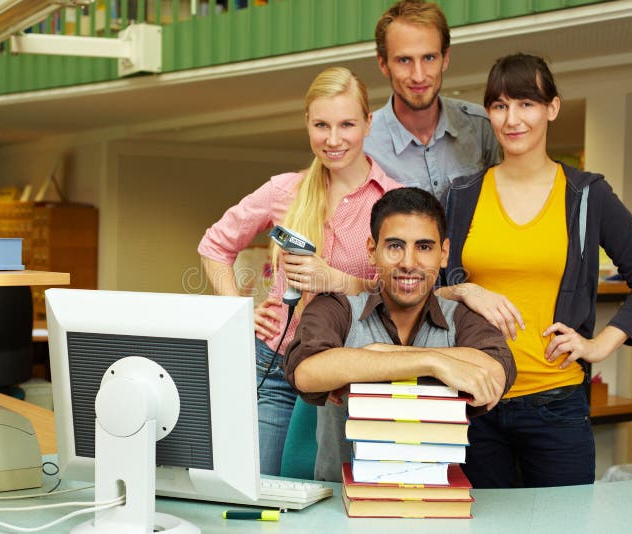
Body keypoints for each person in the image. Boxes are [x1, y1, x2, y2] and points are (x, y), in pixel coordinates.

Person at [440, 53, 632, 488]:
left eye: (527, 103)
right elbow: (433, 288)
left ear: (552, 108)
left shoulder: (586, 196)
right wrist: (467, 291)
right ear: (489, 113)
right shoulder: (463, 195)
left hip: (556, 405)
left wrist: (600, 345)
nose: (513, 118)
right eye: (500, 105)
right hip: (473, 401)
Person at [198, 67, 402, 475]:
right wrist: (237, 309)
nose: (333, 139)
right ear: (307, 124)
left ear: (368, 123)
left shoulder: (394, 201)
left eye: (346, 124)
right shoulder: (283, 191)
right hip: (272, 367)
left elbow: (403, 291)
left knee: (330, 495)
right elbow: (214, 245)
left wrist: (339, 281)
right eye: (321, 125)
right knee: (259, 489)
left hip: (345, 376)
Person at [283, 187, 516, 482]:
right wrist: (433, 364)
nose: (408, 262)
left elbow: (495, 372)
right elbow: (306, 371)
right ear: (372, 250)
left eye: (424, 247)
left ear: (444, 253)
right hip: (341, 508)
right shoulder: (336, 307)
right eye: (394, 246)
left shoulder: (462, 313)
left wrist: (377, 356)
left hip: (435, 507)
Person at [364, 0, 499, 199]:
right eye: (404, 60)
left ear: (445, 59)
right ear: (383, 64)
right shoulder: (364, 143)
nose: (418, 76)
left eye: (429, 58)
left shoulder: (481, 127)